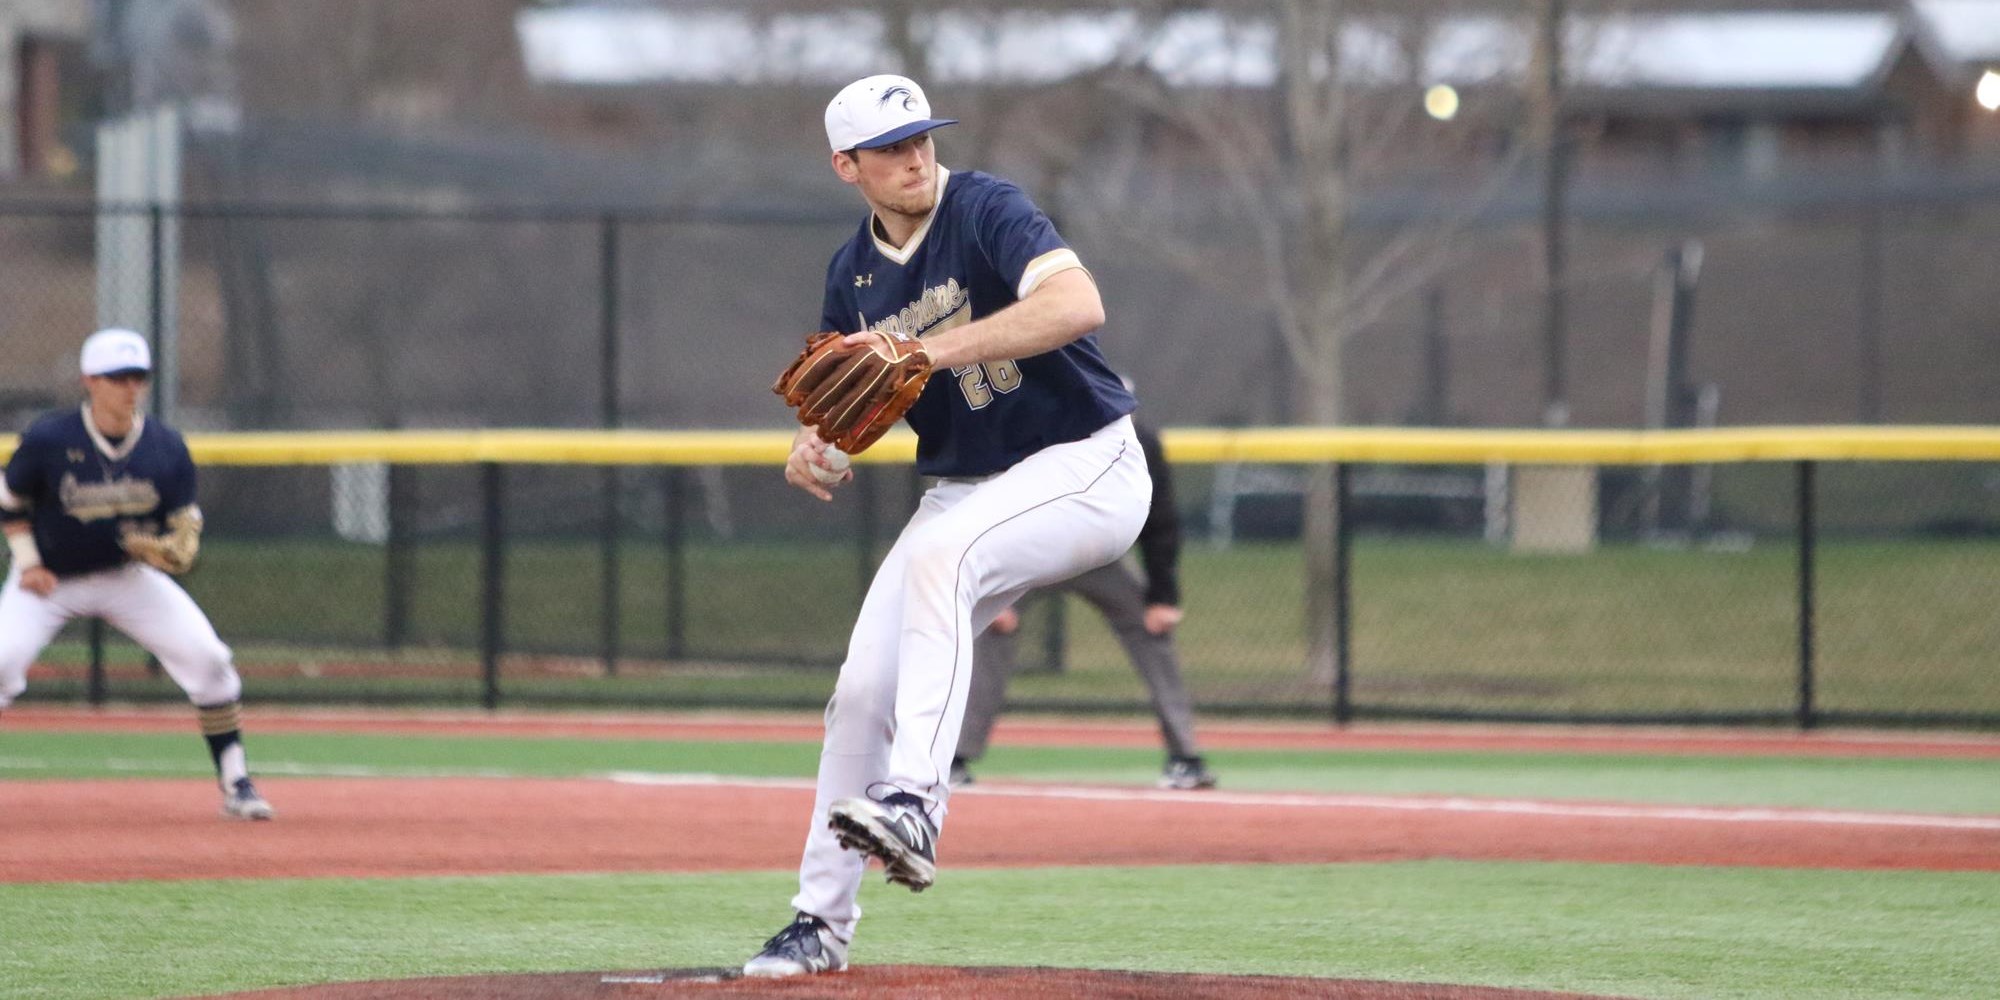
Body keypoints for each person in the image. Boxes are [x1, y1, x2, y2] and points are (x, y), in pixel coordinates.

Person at [744, 75, 1151, 977]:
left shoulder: (985, 208)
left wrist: (928, 347)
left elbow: (1078, 306)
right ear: (846, 166)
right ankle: (818, 924)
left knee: (941, 552)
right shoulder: (850, 273)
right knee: (859, 692)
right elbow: (845, 399)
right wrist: (818, 446)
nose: (915, 156)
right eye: (890, 148)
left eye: (921, 137)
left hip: (1086, 464)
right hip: (964, 488)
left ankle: (918, 802)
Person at [0, 328, 274, 821]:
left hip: (126, 577)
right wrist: (29, 562)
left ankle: (237, 782)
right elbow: (9, 503)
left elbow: (183, 520)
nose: (128, 387)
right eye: (116, 377)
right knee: (1, 660)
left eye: (137, 377)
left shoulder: (165, 447)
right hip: (50, 581)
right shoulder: (50, 439)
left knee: (209, 660)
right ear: (89, 380)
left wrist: (178, 545)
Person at [950, 418, 1216, 792]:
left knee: (1153, 631)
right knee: (987, 628)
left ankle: (1186, 757)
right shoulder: (1036, 426)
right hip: (1033, 550)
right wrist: (989, 589)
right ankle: (954, 757)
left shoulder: (1138, 440)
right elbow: (988, 498)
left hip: (1101, 555)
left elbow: (1161, 520)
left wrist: (1162, 597)